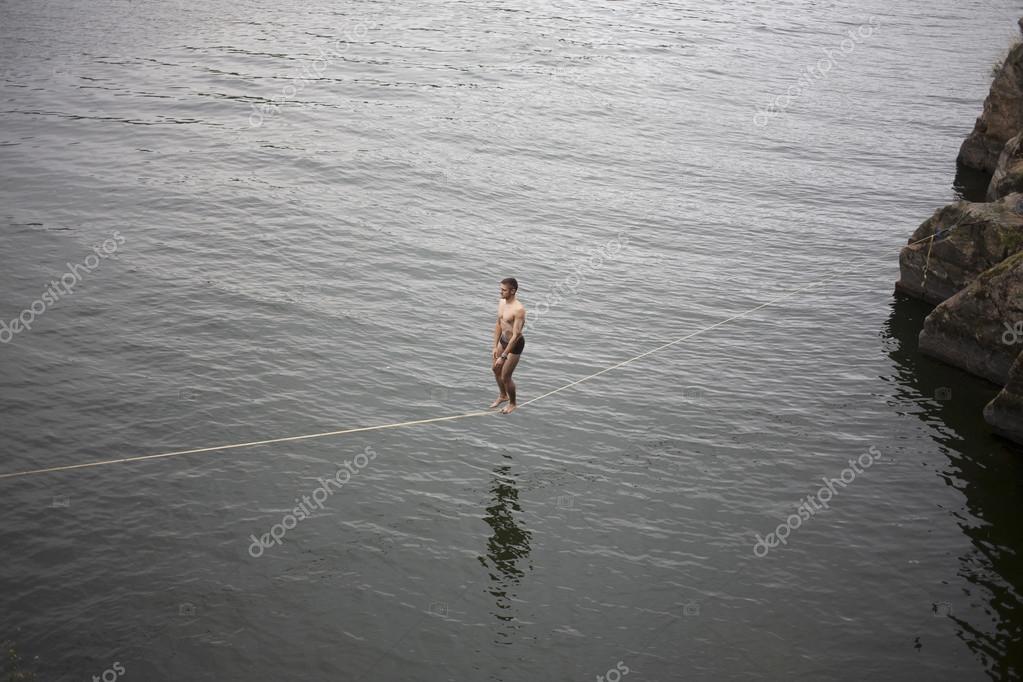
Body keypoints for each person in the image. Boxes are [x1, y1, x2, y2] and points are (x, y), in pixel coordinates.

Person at [489, 277, 526, 414]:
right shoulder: (501, 303)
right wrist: (495, 346)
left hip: (515, 345)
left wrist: (503, 356)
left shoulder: (519, 310)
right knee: (495, 369)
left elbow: (516, 336)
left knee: (505, 376)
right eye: (500, 289)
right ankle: (503, 395)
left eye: (503, 290)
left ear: (513, 291)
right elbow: (499, 324)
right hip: (503, 340)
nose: (500, 292)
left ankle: (512, 403)